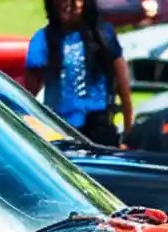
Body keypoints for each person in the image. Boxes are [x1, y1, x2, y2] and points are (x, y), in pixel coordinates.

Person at [24, 0, 133, 146]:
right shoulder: (42, 39)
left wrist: (128, 133)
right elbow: (29, 95)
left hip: (99, 126)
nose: (67, 4)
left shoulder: (103, 35)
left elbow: (123, 88)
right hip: (59, 128)